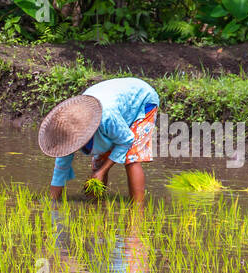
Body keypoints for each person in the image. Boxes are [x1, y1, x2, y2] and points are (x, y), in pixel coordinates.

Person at [38, 77, 158, 205]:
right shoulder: (67, 130)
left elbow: (126, 141)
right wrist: (52, 201)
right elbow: (61, 168)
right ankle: (96, 205)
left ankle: (138, 210)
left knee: (132, 157)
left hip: (142, 100)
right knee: (99, 161)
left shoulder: (107, 117)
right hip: (113, 101)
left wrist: (102, 171)